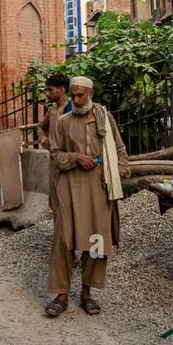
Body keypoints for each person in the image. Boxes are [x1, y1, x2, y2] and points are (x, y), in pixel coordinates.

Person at [45, 74, 130, 319]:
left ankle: (86, 293)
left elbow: (120, 149)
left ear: (90, 94)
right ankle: (61, 295)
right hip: (69, 188)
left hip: (98, 188)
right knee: (64, 241)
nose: (77, 99)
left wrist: (118, 172)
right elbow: (55, 155)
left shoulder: (105, 118)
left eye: (81, 95)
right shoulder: (63, 122)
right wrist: (74, 158)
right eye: (74, 95)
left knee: (95, 241)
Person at [36, 72, 72, 214]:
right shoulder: (52, 110)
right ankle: (60, 235)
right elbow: (40, 127)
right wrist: (43, 139)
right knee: (55, 202)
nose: (47, 93)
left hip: (69, 161)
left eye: (50, 89)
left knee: (69, 201)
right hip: (54, 162)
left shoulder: (72, 110)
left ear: (62, 90)